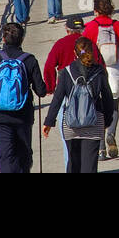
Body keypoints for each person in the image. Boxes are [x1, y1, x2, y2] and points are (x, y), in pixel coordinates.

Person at [0, 21, 47, 173]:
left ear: (3, 39)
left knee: (6, 155)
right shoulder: (29, 60)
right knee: (23, 153)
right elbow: (41, 91)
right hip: (23, 116)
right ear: (22, 39)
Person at [43, 36, 114, 174]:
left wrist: (49, 122)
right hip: (94, 121)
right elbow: (107, 98)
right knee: (90, 165)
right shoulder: (99, 71)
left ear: (75, 53)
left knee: (73, 163)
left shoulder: (66, 72)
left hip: (71, 123)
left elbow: (57, 99)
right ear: (92, 52)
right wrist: (108, 119)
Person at [83, 0, 119, 159]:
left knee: (97, 111)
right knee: (113, 108)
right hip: (115, 70)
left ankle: (101, 149)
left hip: (96, 73)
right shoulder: (118, 26)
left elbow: (82, 51)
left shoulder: (90, 27)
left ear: (95, 10)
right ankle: (111, 133)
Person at [43, 15, 90, 170]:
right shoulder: (88, 45)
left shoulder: (61, 44)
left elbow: (49, 66)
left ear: (67, 29)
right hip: (88, 95)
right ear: (82, 29)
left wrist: (50, 87)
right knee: (87, 137)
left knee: (68, 139)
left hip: (66, 94)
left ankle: (69, 167)